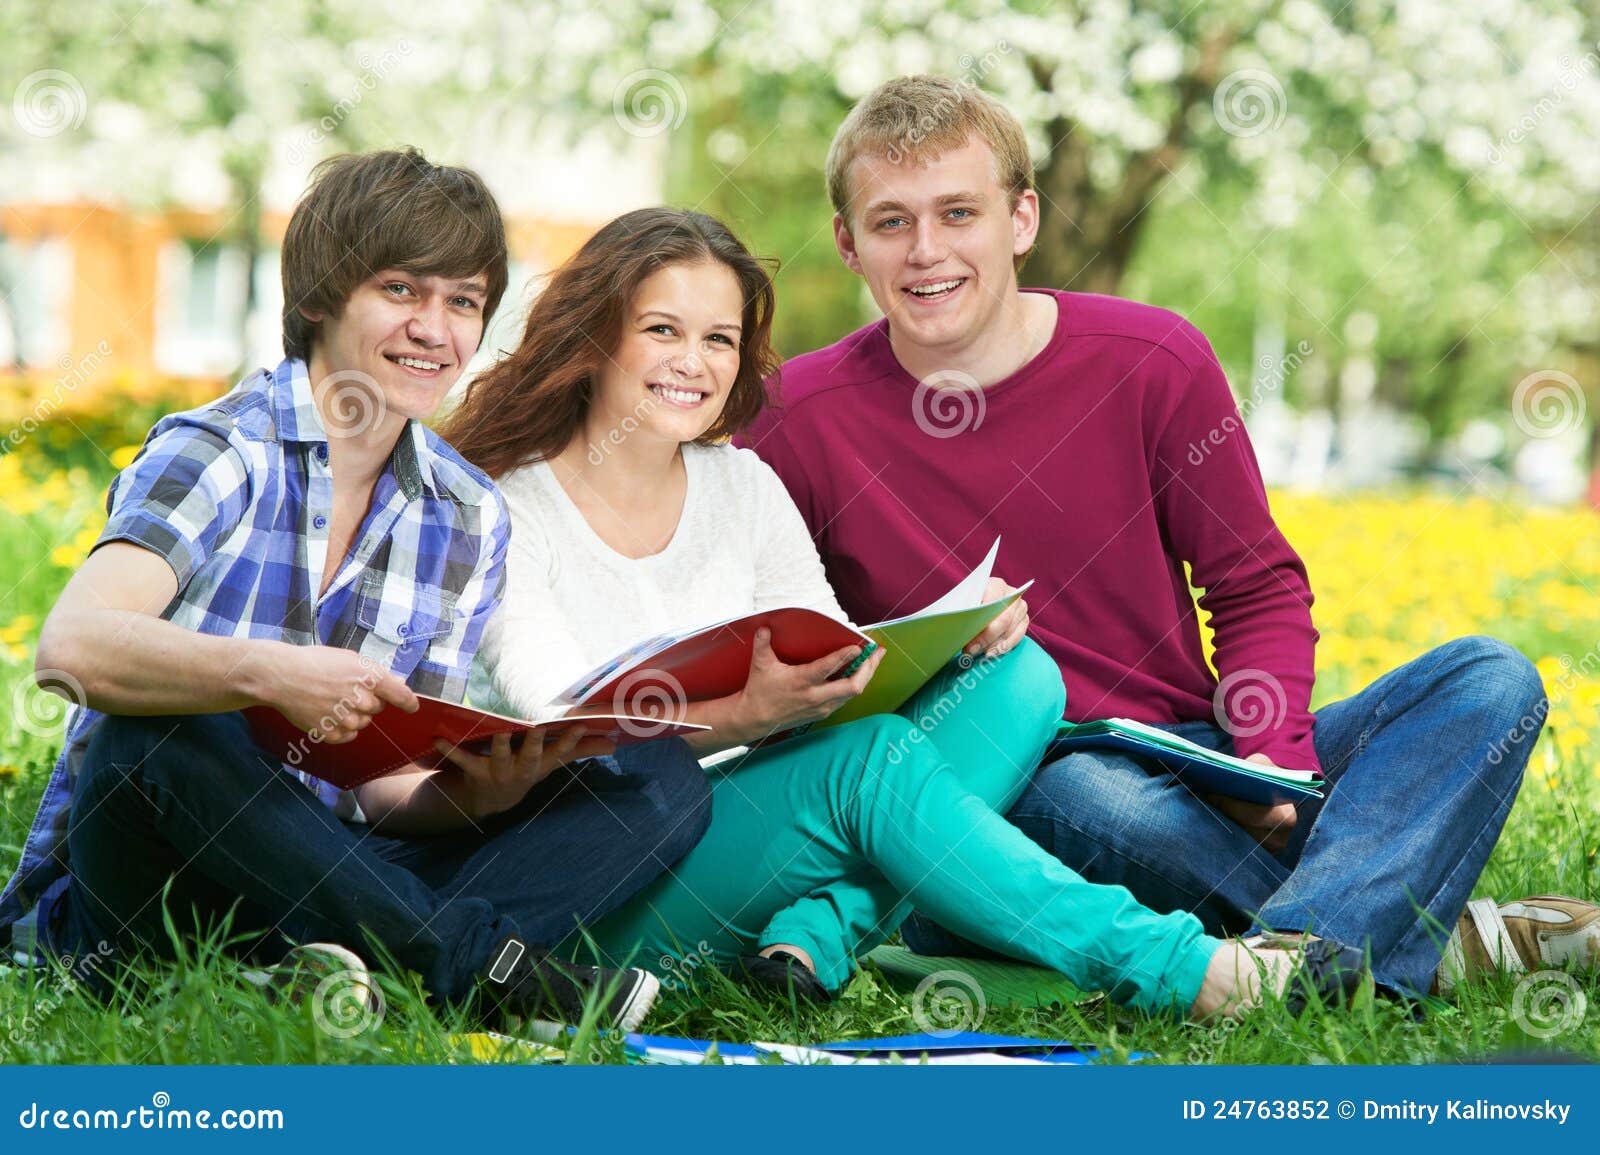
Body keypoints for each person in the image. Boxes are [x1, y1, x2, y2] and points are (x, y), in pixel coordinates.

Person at [741, 75, 1599, 997]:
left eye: (959, 212)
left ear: (1021, 219)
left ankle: (1309, 946)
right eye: (891, 222)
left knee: (1489, 680)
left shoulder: (1153, 360)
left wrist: (1269, 751)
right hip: (1008, 786)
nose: (927, 250)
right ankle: (1398, 938)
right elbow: (771, 638)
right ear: (847, 243)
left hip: (1200, 753)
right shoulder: (794, 416)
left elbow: (1255, 583)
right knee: (1079, 795)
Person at [443, 205, 1362, 1020]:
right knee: (867, 764)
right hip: (603, 887)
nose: (694, 362)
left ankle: (823, 927)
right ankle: (1182, 967)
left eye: (720, 339)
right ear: (594, 336)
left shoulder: (742, 485)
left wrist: (948, 639)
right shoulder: (505, 510)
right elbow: (561, 724)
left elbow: (827, 656)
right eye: (662, 330)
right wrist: (744, 716)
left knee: (1019, 676)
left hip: (764, 830)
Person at [0, 149, 711, 1032]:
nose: (435, 329)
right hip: (158, 879)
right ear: (320, 298)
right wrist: (263, 675)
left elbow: (389, 790)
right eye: (402, 290)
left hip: (337, 874)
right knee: (162, 731)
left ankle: (335, 970)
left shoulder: (466, 514)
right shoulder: (221, 452)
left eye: (463, 302)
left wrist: (479, 793)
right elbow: (71, 648)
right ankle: (471, 966)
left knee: (657, 776)